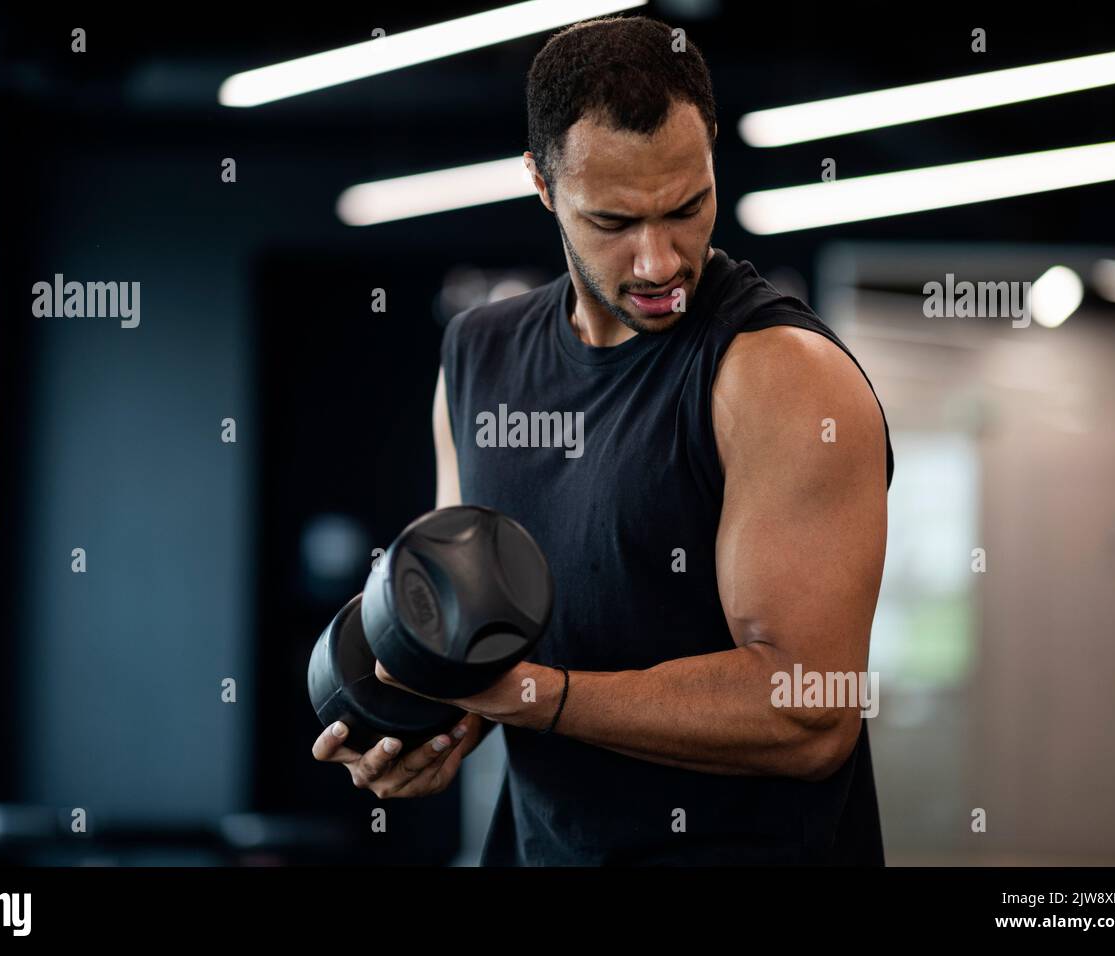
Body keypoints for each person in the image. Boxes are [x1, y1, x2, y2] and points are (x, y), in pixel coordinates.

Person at [313, 14, 893, 865]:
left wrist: (533, 695)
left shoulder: (781, 377)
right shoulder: (480, 356)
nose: (659, 262)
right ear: (542, 185)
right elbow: (470, 631)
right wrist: (415, 729)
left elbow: (807, 712)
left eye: (687, 208)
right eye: (614, 222)